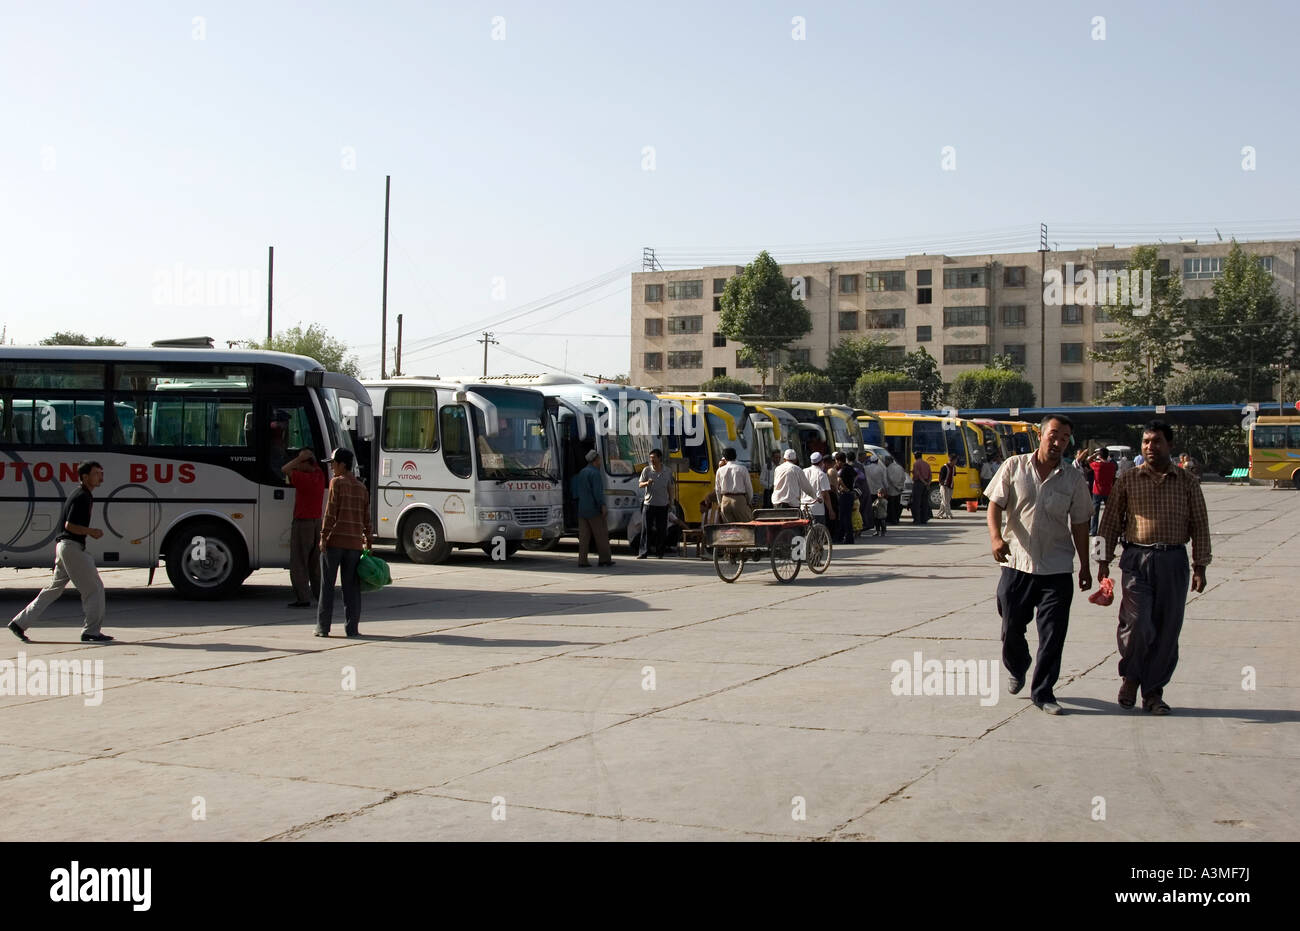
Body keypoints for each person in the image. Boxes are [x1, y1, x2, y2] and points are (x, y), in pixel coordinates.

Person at [1097, 421, 1211, 716]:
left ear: (1169, 445)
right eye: (1146, 442)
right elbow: (1109, 521)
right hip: (1137, 561)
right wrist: (1101, 562)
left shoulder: (1186, 482)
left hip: (1174, 561)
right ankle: (1131, 677)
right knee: (1137, 624)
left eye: (1156, 441)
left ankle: (1153, 692)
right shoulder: (1129, 479)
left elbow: (1199, 524)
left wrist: (1200, 565)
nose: (1150, 447)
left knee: (1167, 630)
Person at [985, 415, 1093, 715]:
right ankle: (1018, 667)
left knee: (1053, 634)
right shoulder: (1014, 466)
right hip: (1016, 563)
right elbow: (994, 504)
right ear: (1042, 435)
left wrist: (1085, 566)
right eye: (1054, 435)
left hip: (1057, 568)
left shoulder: (1073, 478)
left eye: (1065, 437)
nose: (1059, 442)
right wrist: (996, 538)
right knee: (1010, 627)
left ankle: (1043, 692)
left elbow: (1081, 523)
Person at [9, 461, 113, 643]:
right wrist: (91, 532)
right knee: (94, 589)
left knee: (53, 590)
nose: (100, 476)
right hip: (72, 548)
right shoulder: (83, 496)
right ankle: (91, 632)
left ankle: (19, 623)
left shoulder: (80, 493)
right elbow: (70, 525)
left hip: (65, 547)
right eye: (96, 473)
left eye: (101, 472)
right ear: (85, 477)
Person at [316, 448, 373, 638]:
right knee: (351, 590)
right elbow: (366, 517)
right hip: (354, 545)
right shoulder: (361, 487)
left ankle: (323, 628)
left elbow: (330, 512)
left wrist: (324, 537)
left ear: (342, 464)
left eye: (333, 463)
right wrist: (368, 540)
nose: (331, 467)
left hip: (335, 543)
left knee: (327, 586)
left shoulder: (337, 483)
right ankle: (352, 629)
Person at [282, 448, 327, 607]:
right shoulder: (320, 475)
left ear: (305, 463)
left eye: (300, 463)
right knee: (315, 563)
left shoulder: (302, 478)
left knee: (299, 562)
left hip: (302, 523)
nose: (297, 466)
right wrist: (305, 457)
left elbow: (284, 469)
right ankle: (320, 595)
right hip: (316, 523)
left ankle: (302, 598)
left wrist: (298, 459)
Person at [573, 449, 614, 567]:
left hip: (582, 510)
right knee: (601, 535)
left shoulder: (582, 472)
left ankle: (582, 560)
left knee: (584, 537)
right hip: (593, 509)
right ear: (595, 460)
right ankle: (604, 559)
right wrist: (602, 505)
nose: (600, 461)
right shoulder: (595, 473)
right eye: (599, 459)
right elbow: (597, 492)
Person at [637, 448, 672, 559]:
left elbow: (670, 487)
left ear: (659, 458)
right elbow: (640, 485)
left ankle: (660, 552)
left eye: (654, 458)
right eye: (650, 458)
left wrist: (671, 501)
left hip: (663, 505)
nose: (652, 460)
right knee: (646, 529)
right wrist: (647, 483)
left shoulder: (667, 471)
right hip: (649, 504)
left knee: (661, 529)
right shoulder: (646, 470)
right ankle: (643, 552)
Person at [715, 446, 754, 523]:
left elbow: (717, 489)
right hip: (739, 499)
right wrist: (749, 501)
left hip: (725, 500)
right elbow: (748, 487)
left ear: (724, 458)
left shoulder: (720, 470)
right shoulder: (742, 468)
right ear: (735, 456)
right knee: (746, 525)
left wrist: (720, 503)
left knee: (729, 528)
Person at [802, 452, 836, 530]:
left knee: (806, 531)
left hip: (804, 506)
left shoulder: (804, 471)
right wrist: (830, 510)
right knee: (819, 532)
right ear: (821, 462)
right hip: (817, 508)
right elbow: (825, 495)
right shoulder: (821, 474)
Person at [1089, 447, 1118, 536]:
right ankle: (1110, 530)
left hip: (1097, 490)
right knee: (1109, 513)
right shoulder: (1112, 466)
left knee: (1095, 513)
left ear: (1100, 456)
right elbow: (1115, 467)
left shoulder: (1097, 465)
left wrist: (1094, 455)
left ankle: (1093, 531)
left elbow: (1089, 460)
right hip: (1108, 490)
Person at [834, 459, 858, 544]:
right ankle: (847, 537)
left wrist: (844, 487)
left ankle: (847, 538)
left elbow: (839, 480)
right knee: (847, 517)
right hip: (850, 494)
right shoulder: (850, 467)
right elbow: (856, 475)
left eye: (836, 461)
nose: (836, 463)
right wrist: (851, 485)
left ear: (839, 461)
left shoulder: (843, 470)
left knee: (844, 518)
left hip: (845, 495)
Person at [884, 453, 907, 524]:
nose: (885, 462)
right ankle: (897, 519)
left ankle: (893, 520)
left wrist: (896, 487)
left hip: (892, 490)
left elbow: (890, 480)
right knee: (897, 505)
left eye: (885, 461)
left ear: (889, 461)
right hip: (899, 490)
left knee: (892, 506)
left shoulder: (888, 468)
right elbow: (904, 477)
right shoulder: (899, 467)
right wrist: (900, 487)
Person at [911, 455, 933, 524]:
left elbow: (918, 475)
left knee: (916, 502)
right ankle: (924, 519)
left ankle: (917, 520)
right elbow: (930, 475)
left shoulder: (916, 463)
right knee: (924, 502)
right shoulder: (926, 464)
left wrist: (923, 482)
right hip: (926, 484)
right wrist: (928, 483)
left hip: (918, 483)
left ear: (915, 457)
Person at [937, 453, 956, 519]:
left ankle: (939, 514)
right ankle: (949, 514)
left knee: (945, 501)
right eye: (955, 460)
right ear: (952, 460)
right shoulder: (944, 467)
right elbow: (940, 478)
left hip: (951, 486)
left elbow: (953, 476)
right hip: (944, 486)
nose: (956, 462)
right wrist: (943, 485)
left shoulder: (953, 468)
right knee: (946, 501)